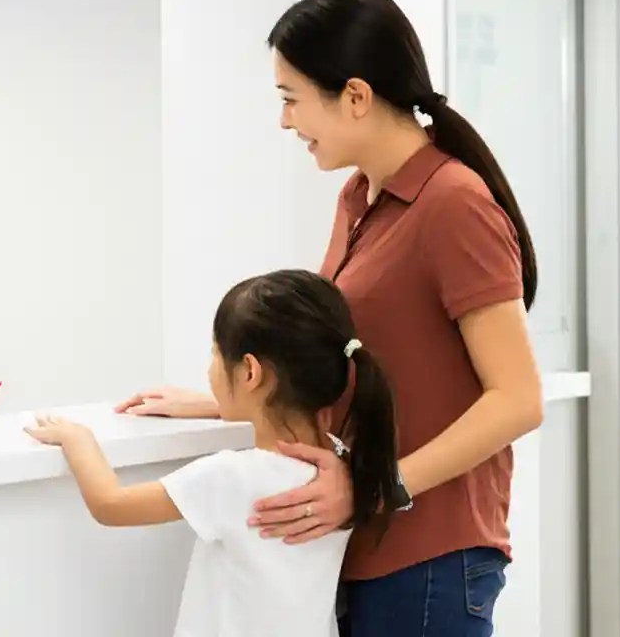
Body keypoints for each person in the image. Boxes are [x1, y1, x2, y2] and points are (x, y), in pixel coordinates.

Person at [115, 0, 543, 636]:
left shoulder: (455, 204)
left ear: (355, 96)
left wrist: (377, 485)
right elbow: (352, 353)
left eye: (291, 99)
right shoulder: (357, 198)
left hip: (430, 555)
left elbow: (517, 400)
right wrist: (227, 396)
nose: (285, 121)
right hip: (365, 547)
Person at [27, 270, 399, 637]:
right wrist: (213, 407)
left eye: (216, 353)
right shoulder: (344, 470)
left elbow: (110, 504)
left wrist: (77, 438)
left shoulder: (232, 476)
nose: (210, 368)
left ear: (250, 372)